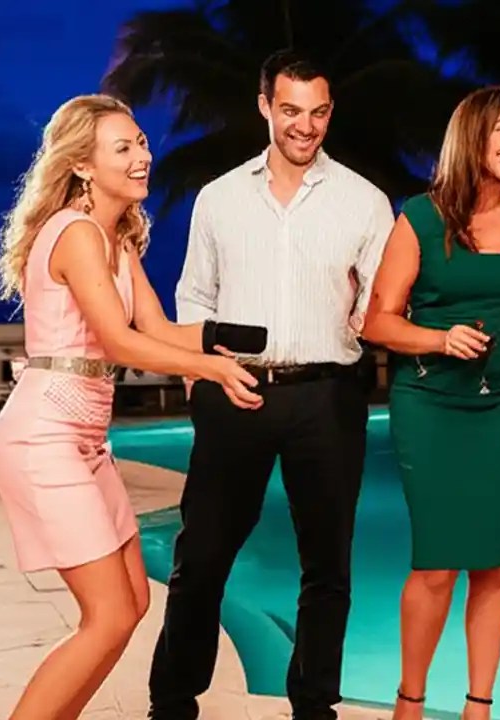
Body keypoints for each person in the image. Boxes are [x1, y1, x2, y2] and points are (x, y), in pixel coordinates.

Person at [0, 93, 261, 720]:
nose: (143, 156)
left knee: (130, 603)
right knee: (107, 616)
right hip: (44, 436)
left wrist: (244, 336)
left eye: (140, 142)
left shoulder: (116, 241)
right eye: (124, 147)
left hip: (83, 439)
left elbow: (158, 329)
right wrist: (211, 368)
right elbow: (118, 341)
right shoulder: (77, 233)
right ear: (82, 165)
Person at [147, 51, 394, 720]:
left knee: (327, 566)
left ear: (329, 112)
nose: (303, 126)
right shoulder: (221, 198)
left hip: (328, 394)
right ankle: (173, 699)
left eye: (316, 113)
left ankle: (314, 705)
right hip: (234, 390)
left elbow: (380, 305)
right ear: (265, 106)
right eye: (290, 110)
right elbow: (193, 294)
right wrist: (205, 378)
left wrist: (363, 318)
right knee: (201, 555)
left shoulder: (365, 203)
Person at [360, 85, 500, 720]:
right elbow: (378, 322)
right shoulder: (420, 217)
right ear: (472, 135)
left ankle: (478, 707)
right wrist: (441, 339)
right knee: (438, 561)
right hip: (431, 405)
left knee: (494, 563)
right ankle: (409, 703)